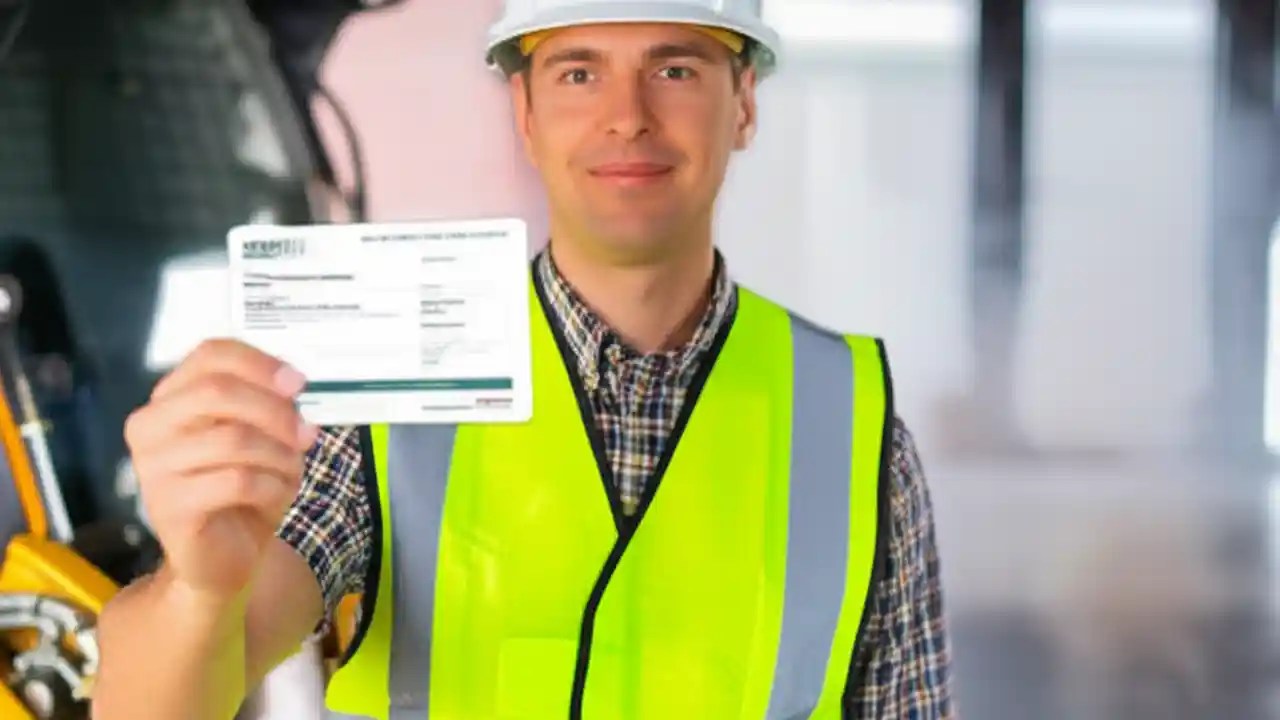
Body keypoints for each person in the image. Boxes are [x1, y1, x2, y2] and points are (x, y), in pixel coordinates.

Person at [91, 1, 955, 718]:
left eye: (675, 69)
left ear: (744, 105)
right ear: (526, 114)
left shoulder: (855, 433)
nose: (627, 115)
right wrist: (198, 592)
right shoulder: (388, 400)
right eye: (579, 72)